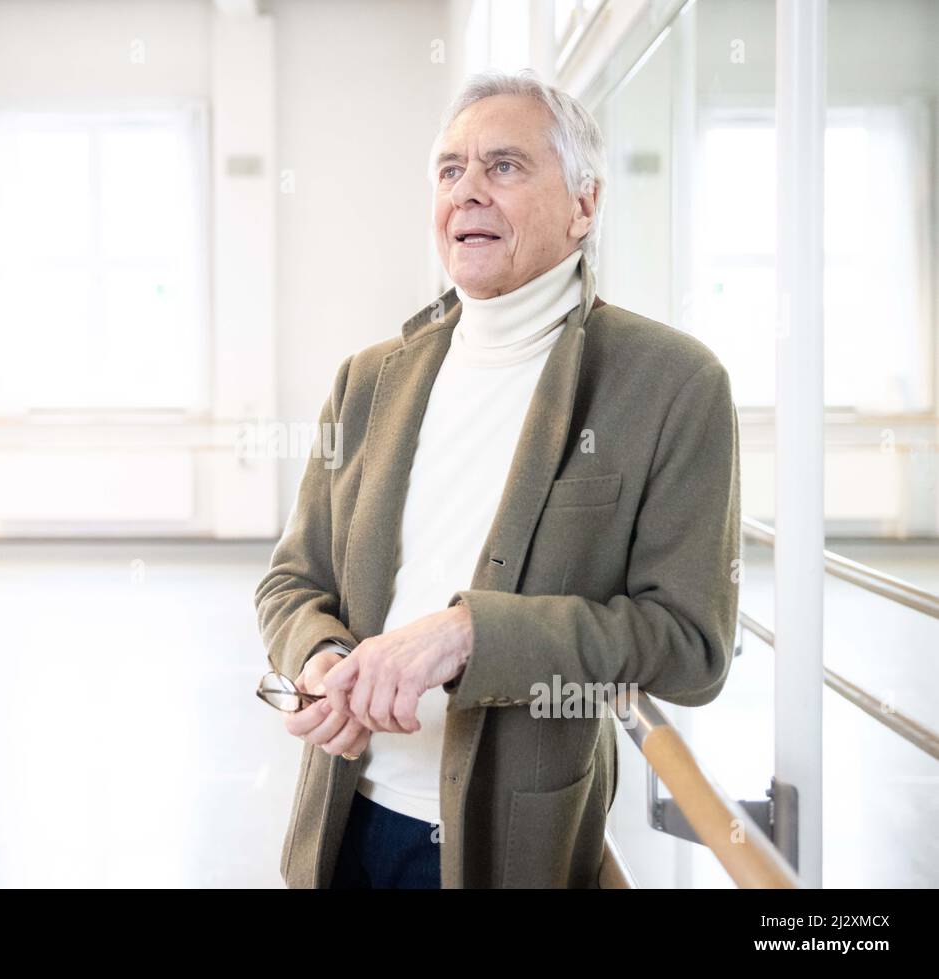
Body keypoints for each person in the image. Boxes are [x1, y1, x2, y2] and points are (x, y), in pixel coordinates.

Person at [254, 68, 740, 889]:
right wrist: (323, 652)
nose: (467, 192)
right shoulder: (367, 379)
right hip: (345, 823)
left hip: (516, 846)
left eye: (505, 167)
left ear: (584, 206)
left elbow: (691, 646)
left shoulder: (671, 383)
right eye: (450, 170)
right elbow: (293, 579)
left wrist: (470, 635)